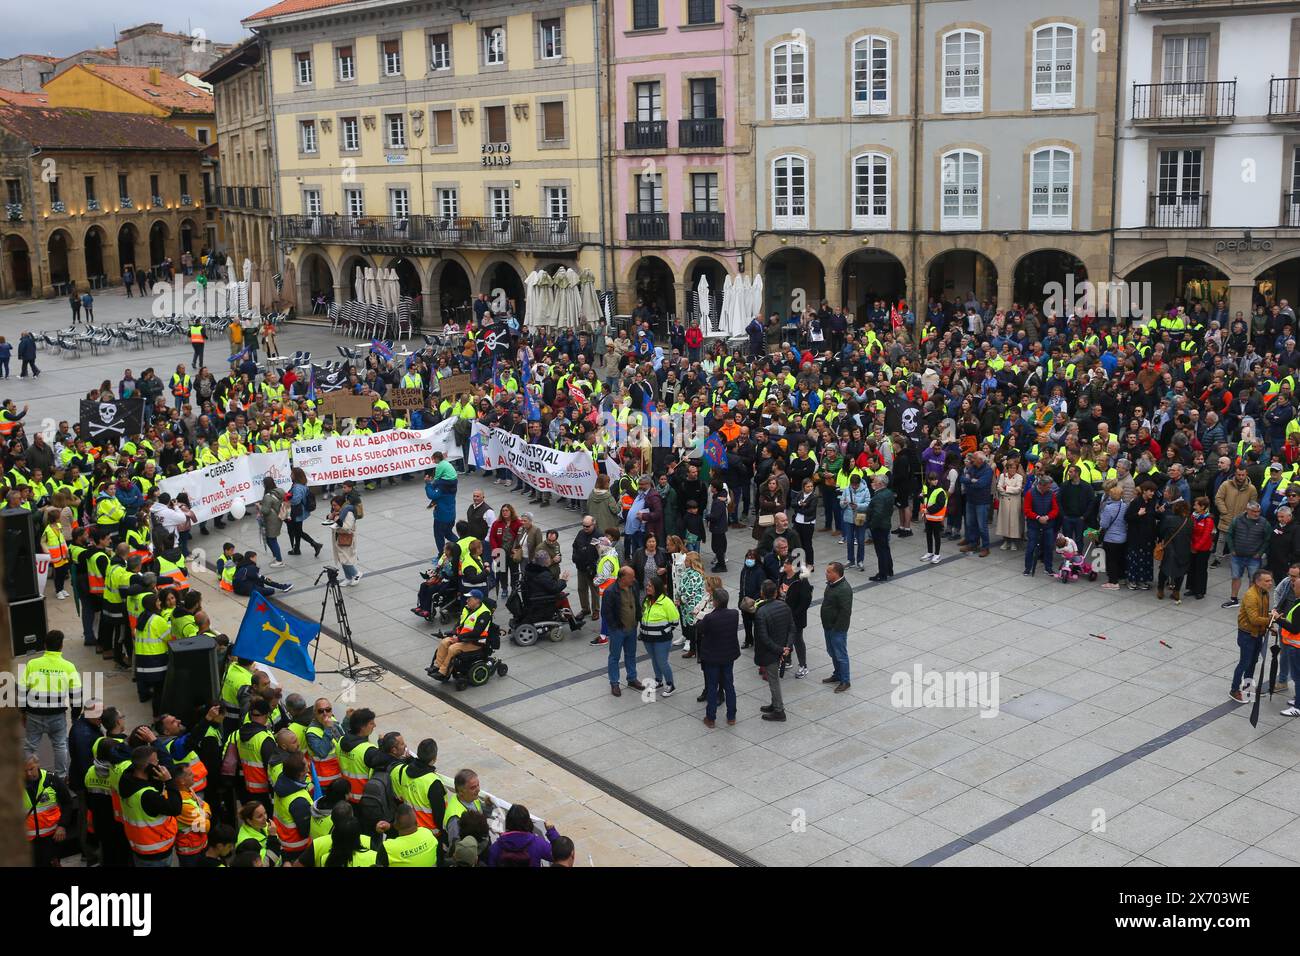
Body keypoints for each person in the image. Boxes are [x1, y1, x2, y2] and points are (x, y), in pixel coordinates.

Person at [22, 629, 82, 780]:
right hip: (57, 716)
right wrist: (75, 716)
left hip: (34, 714)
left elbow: (22, 690)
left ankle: (29, 775)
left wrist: (23, 712)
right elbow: (76, 695)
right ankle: (61, 778)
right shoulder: (69, 667)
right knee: (60, 745)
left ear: (45, 645)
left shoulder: (32, 664)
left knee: (30, 747)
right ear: (61, 646)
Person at [427, 589, 492, 680]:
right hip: (463, 638)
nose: (467, 600)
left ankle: (443, 673)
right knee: (444, 642)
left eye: (470, 599)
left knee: (453, 648)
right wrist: (454, 633)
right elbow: (460, 624)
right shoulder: (467, 608)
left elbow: (477, 632)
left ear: (477, 600)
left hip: (475, 642)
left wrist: (459, 638)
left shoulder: (484, 614)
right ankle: (437, 667)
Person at [697, 587, 740, 726]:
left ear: (714, 602)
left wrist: (699, 617)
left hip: (712, 658)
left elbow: (700, 628)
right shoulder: (734, 614)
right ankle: (731, 716)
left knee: (712, 686)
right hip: (728, 656)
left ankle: (711, 718)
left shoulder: (710, 618)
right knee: (729, 686)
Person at [1230, 570, 1274, 703]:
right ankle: (1234, 690)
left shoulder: (1264, 593)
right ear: (1257, 582)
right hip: (1247, 634)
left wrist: (1269, 625)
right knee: (1244, 662)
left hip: (1258, 634)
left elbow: (1263, 614)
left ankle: (1247, 687)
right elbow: (1254, 619)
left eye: (1270, 580)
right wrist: (1271, 619)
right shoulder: (1251, 595)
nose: (1270, 583)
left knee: (1253, 661)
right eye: (1267, 581)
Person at [753, 579, 792, 722]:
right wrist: (786, 648)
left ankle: (779, 710)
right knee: (773, 679)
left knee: (773, 680)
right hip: (780, 648)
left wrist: (781, 649)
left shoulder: (761, 612)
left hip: (770, 652)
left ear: (762, 593)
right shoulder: (784, 606)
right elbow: (791, 629)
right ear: (775, 593)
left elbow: (764, 638)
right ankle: (775, 703)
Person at [24, 755, 72, 866]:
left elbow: (67, 803)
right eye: (25, 771)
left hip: (51, 838)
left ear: (38, 764)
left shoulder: (52, 780)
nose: (29, 774)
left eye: (31, 769)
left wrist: (62, 825)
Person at [1223, 500, 1269, 608]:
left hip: (1254, 557)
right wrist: (1232, 549)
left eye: (1258, 511)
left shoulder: (1264, 523)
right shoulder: (1237, 520)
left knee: (1254, 580)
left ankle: (1250, 601)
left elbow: (1267, 539)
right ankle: (1234, 599)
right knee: (1235, 577)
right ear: (1247, 510)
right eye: (1254, 511)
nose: (1257, 514)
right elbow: (1229, 534)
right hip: (1237, 556)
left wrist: (1260, 552)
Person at [486, 804, 562, 867]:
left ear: (508, 822)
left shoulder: (495, 848)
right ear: (528, 822)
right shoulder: (537, 843)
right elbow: (561, 855)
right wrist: (552, 831)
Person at [640, 578, 679, 696]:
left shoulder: (666, 602)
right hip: (647, 639)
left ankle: (670, 684)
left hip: (662, 640)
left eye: (650, 586)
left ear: (657, 588)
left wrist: (663, 631)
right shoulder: (647, 600)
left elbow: (675, 621)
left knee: (662, 661)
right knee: (654, 659)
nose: (647, 587)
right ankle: (658, 680)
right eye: (647, 585)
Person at [820, 561, 852, 692]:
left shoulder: (844, 589)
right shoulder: (831, 585)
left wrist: (836, 628)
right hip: (828, 626)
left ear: (836, 573)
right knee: (832, 652)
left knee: (840, 654)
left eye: (829, 572)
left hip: (837, 629)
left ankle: (845, 681)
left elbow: (845, 612)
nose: (826, 573)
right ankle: (837, 674)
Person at [1157, 499, 1193, 604]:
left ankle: (1160, 591)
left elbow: (1161, 531)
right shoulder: (1189, 521)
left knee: (1164, 569)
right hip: (1184, 549)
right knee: (1180, 570)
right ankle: (1176, 591)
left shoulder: (1169, 519)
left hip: (1170, 549)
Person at [1022, 472, 1059, 576]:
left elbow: (1055, 509)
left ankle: (1048, 568)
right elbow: (1027, 510)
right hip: (1034, 525)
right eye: (1048, 487)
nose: (1050, 488)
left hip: (1048, 524)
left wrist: (1047, 517)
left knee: (1048, 546)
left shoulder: (1051, 494)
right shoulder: (1030, 493)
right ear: (1042, 485)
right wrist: (1038, 517)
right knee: (1031, 546)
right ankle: (1028, 568)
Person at [959, 451, 993, 556]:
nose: (972, 460)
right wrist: (972, 481)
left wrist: (970, 481)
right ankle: (973, 543)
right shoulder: (972, 467)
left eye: (974, 458)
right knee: (970, 524)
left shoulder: (988, 470)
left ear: (981, 460)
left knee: (982, 526)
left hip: (982, 502)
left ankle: (986, 547)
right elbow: (962, 478)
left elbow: (980, 484)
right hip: (971, 500)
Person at [286, 467, 323, 558]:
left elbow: (295, 501)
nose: (290, 475)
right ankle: (297, 549)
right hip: (300, 512)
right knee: (297, 531)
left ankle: (315, 544)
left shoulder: (297, 487)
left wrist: (286, 498)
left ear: (295, 475)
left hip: (297, 512)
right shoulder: (301, 485)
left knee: (298, 531)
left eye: (292, 474)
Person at [326, 494, 362, 586]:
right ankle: (348, 578)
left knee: (345, 559)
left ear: (341, 504)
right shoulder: (338, 512)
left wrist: (338, 521)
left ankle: (356, 574)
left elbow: (348, 528)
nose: (333, 507)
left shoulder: (348, 514)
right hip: (338, 538)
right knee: (342, 558)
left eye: (335, 505)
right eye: (332, 505)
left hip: (347, 539)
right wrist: (330, 517)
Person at [866, 475, 895, 581]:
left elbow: (877, 513)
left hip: (878, 526)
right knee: (885, 548)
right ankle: (889, 570)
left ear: (881, 484)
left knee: (880, 551)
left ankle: (882, 574)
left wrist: (872, 525)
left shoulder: (879, 496)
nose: (873, 483)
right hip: (886, 524)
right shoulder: (889, 493)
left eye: (875, 481)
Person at [840, 472, 871, 571]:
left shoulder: (865, 490)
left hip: (860, 517)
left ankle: (860, 561)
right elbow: (841, 503)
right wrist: (844, 503)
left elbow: (868, 504)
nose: (854, 487)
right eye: (852, 485)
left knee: (861, 540)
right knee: (849, 540)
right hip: (848, 518)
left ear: (859, 483)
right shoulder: (846, 490)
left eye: (856, 485)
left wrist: (858, 505)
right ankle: (850, 560)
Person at [257, 477, 287, 567]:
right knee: (271, 539)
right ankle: (276, 556)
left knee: (271, 540)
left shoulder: (267, 496)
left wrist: (259, 506)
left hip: (271, 520)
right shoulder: (280, 491)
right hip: (279, 517)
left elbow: (265, 511)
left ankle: (279, 560)